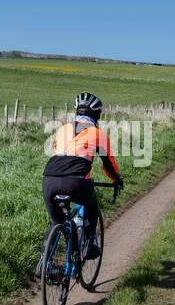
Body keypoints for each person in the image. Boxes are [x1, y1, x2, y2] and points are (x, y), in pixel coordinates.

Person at [42, 91, 124, 260]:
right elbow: (108, 163)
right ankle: (90, 243)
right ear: (97, 115)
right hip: (76, 182)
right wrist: (116, 180)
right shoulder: (98, 133)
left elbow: (59, 150)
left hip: (49, 179)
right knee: (91, 205)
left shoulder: (63, 128)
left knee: (56, 222)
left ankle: (43, 262)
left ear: (77, 112)